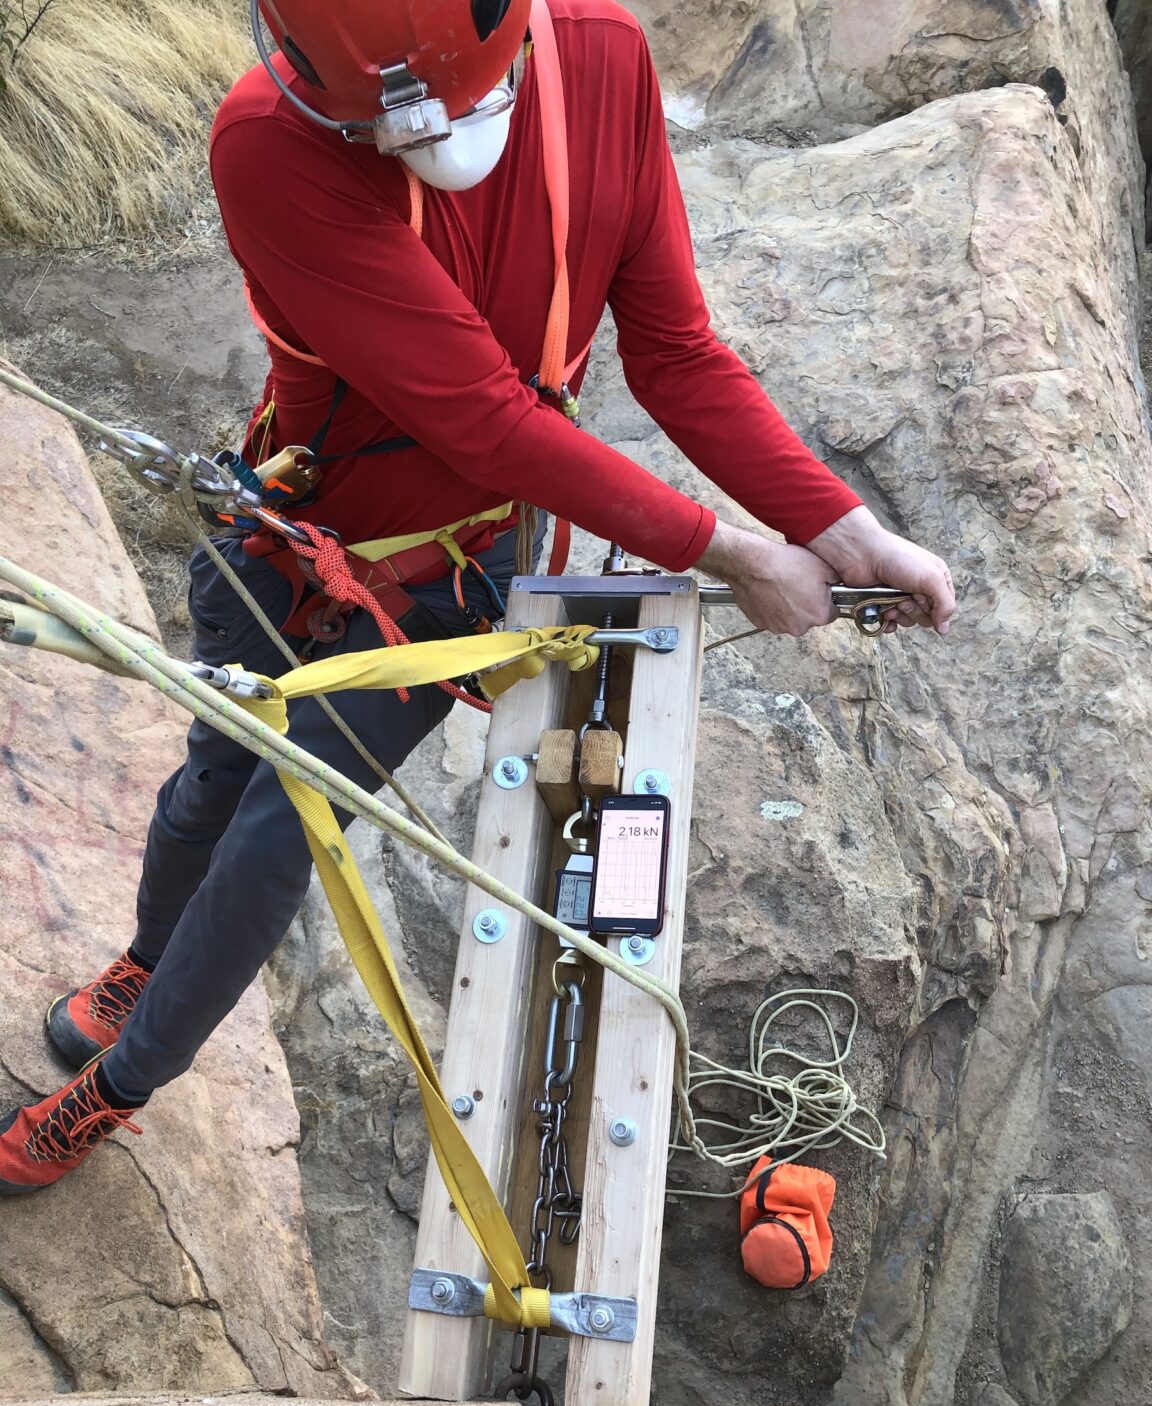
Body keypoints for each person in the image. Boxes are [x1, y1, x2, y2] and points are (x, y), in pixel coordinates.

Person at [0, 0, 954, 1194]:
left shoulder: (601, 61)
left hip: (448, 567)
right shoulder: (271, 141)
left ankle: (118, 1087)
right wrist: (734, 552)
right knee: (213, 769)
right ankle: (148, 959)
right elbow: (485, 417)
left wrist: (841, 527)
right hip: (296, 522)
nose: (414, 146)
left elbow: (674, 351)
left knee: (282, 817)